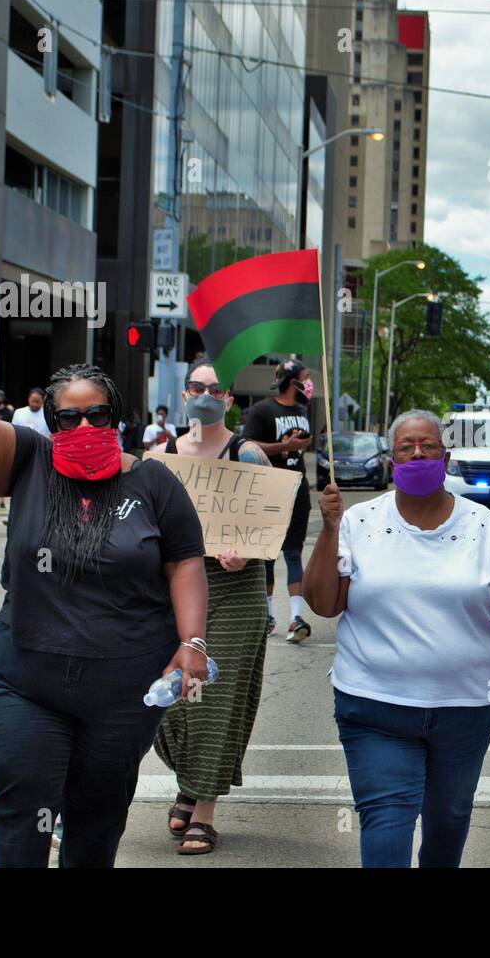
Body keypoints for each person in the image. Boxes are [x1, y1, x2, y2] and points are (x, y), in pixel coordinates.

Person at [0, 273, 209, 868]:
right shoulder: (26, 461)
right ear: (51, 422)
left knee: (95, 826)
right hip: (25, 681)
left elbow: (185, 562)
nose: (83, 428)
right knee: (22, 817)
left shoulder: (152, 481)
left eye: (97, 416)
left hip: (122, 692)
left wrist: (191, 641)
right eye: (69, 418)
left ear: (116, 417)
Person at [304, 409, 490, 868]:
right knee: (386, 818)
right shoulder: (358, 522)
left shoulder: (482, 524)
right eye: (406, 447)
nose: (417, 454)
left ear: (446, 456)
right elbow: (323, 603)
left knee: (449, 819)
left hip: (466, 708)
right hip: (373, 704)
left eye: (428, 446)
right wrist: (331, 531)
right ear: (392, 460)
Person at [151, 358, 272, 855]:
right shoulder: (159, 457)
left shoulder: (249, 454)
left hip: (235, 589)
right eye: (195, 387)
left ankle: (203, 811)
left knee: (212, 699)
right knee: (169, 701)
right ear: (184, 397)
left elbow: (271, 523)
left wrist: (248, 547)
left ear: (226, 399)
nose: (204, 394)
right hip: (175, 587)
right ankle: (190, 779)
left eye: (214, 389)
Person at [241, 359, 314, 642]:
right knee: (269, 554)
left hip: (298, 487)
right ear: (292, 381)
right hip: (271, 487)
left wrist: (301, 445)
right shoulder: (262, 410)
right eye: (305, 378)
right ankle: (267, 616)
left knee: (294, 552)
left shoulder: (302, 409)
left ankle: (296, 618)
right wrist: (285, 446)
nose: (309, 384)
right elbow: (248, 444)